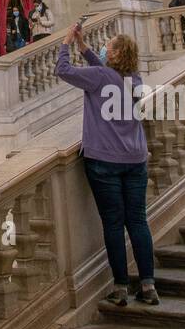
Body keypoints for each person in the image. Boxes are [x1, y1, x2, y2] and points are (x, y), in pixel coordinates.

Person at [55, 23, 157, 307]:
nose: (105, 48)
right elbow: (103, 71)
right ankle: (148, 285)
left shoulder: (100, 77)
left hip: (104, 162)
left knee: (113, 223)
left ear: (114, 54)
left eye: (108, 46)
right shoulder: (134, 80)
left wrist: (65, 43)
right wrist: (84, 47)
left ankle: (121, 287)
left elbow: (63, 70)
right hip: (135, 160)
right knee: (137, 221)